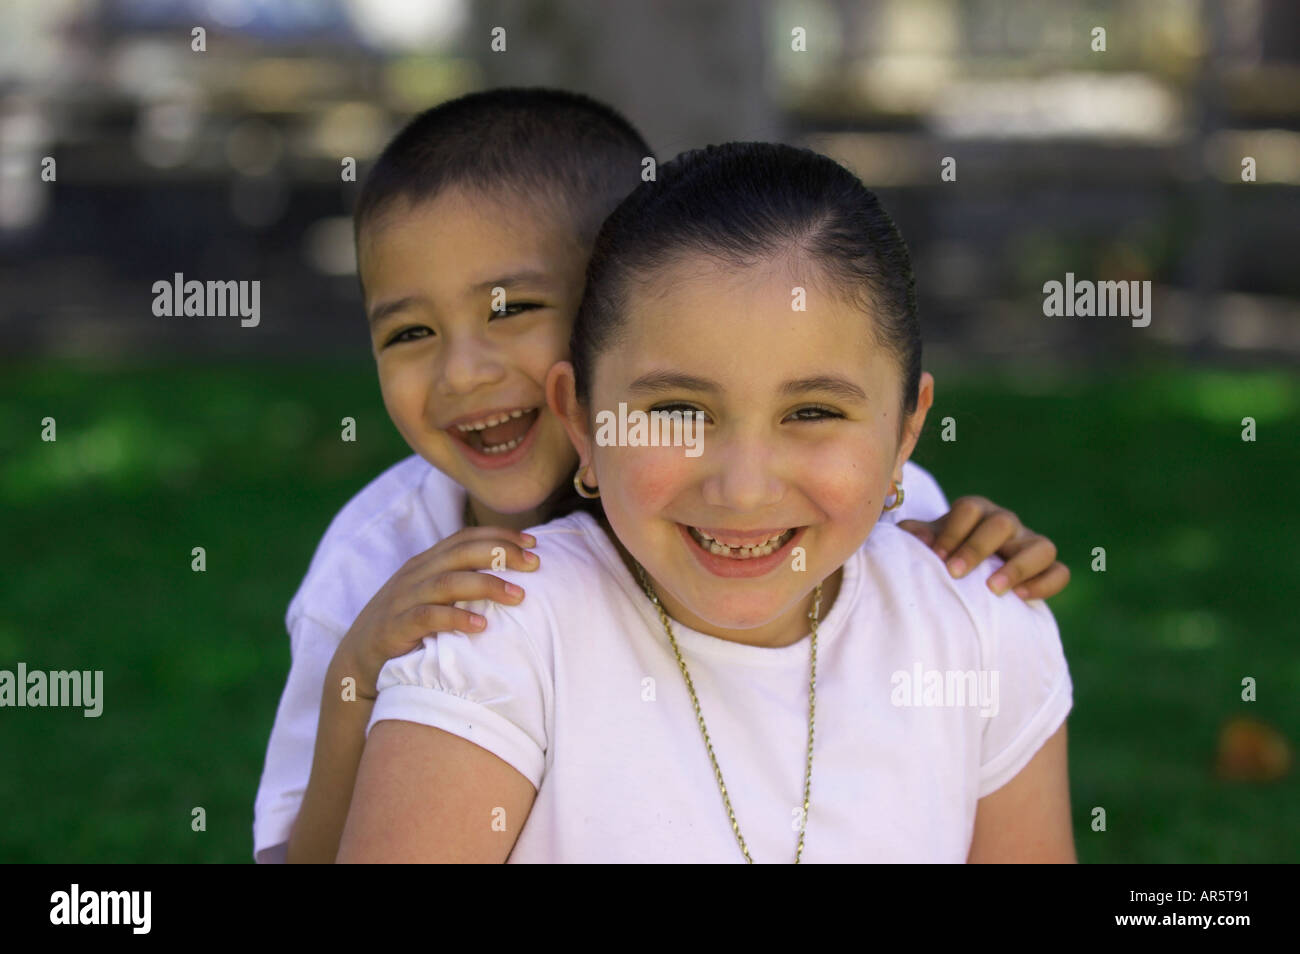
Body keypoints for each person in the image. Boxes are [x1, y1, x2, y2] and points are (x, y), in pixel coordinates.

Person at [254, 90, 1070, 864]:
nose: (465, 372)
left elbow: (899, 532)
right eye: (410, 331)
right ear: (584, 401)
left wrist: (977, 550)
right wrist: (356, 676)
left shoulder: (928, 582)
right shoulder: (397, 587)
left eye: (510, 310)